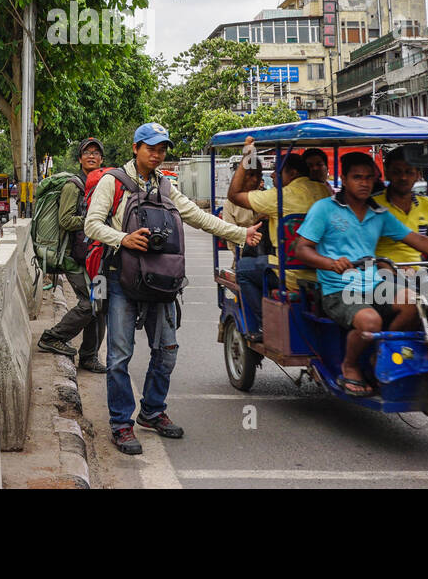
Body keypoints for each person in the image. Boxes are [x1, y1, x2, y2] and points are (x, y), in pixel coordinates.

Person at [85, 122, 261, 456]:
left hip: (161, 279)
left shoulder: (166, 186)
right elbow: (91, 224)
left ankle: (152, 411)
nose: (157, 153)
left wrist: (241, 233)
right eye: (151, 147)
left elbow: (197, 217)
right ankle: (121, 424)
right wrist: (123, 238)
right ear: (135, 147)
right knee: (119, 356)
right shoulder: (113, 182)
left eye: (162, 148)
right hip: (122, 280)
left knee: (167, 351)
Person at [292, 152, 428, 396]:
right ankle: (350, 364)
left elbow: (417, 239)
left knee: (414, 303)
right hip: (339, 288)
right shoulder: (324, 209)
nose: (364, 183)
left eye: (368, 178)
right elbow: (301, 248)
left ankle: (381, 354)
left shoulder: (378, 214)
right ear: (343, 179)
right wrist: (329, 262)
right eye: (357, 177)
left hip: (376, 283)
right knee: (370, 321)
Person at [227, 144, 329, 341]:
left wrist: (247, 156)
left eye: (277, 172)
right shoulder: (324, 191)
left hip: (289, 275)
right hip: (322, 272)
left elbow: (234, 195)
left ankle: (263, 324)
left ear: (291, 173)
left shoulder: (279, 196)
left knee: (243, 269)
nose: (273, 176)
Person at [37, 137, 107, 373]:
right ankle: (52, 337)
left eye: (96, 153)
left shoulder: (103, 185)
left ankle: (89, 356)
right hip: (73, 256)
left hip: (97, 257)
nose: (92, 156)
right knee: (90, 303)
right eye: (87, 152)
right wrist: (95, 222)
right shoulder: (73, 185)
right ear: (80, 159)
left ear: (102, 160)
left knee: (101, 304)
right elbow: (65, 220)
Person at [373, 150, 428, 267]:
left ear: (418, 175)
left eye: (409, 172)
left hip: (419, 276)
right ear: (388, 173)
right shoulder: (373, 204)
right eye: (397, 172)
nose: (403, 177)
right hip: (380, 276)